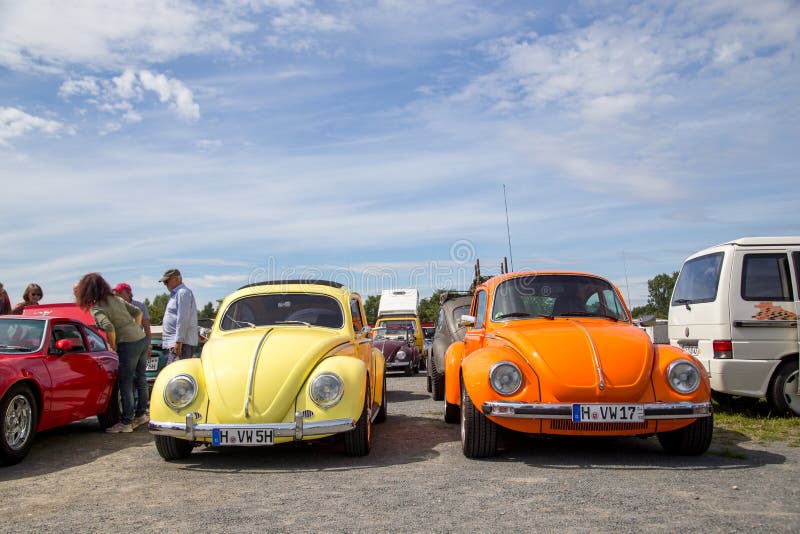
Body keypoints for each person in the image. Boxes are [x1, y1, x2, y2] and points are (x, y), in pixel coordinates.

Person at [75, 273, 149, 433]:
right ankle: (142, 415)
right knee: (141, 377)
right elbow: (138, 313)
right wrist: (135, 329)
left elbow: (108, 327)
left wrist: (113, 345)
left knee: (126, 382)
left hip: (128, 344)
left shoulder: (97, 308)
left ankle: (126, 422)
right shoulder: (116, 299)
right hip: (141, 339)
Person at [160, 268, 198, 364]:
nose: (165, 284)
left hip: (180, 344)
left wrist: (178, 341)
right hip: (176, 343)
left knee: (177, 374)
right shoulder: (177, 293)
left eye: (166, 281)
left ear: (177, 279)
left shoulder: (183, 292)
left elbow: (183, 318)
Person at [113, 282, 152, 356]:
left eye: (119, 292)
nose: (116, 294)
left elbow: (147, 329)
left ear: (128, 293)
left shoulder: (140, 306)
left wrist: (148, 346)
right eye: (115, 293)